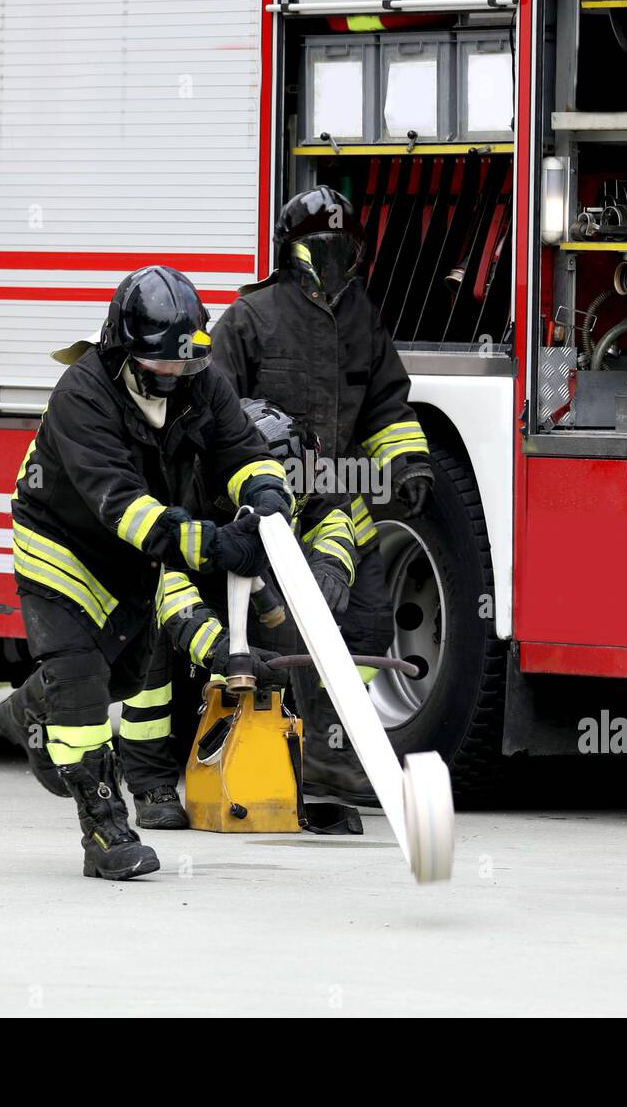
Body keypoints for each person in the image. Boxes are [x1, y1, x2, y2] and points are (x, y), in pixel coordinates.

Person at [0, 266, 293, 881]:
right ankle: (104, 831)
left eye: (184, 366)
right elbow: (121, 505)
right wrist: (214, 546)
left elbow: (241, 450)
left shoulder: (199, 382)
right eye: (161, 367)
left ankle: (29, 710)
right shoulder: (82, 395)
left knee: (122, 676)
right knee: (80, 680)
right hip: (63, 545)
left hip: (135, 550)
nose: (175, 379)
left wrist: (267, 498)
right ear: (123, 351)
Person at [212, 186, 434, 801]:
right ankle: (306, 753)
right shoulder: (250, 317)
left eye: (344, 247)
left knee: (365, 621)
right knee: (299, 629)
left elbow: (385, 404)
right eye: (322, 247)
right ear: (293, 251)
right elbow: (214, 410)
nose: (334, 260)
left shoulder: (360, 315)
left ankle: (338, 744)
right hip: (276, 509)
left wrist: (407, 462)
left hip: (341, 498)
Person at [117, 398, 358, 828]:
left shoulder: (296, 462)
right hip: (173, 587)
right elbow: (166, 587)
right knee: (153, 647)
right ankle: (150, 782)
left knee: (275, 663)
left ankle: (271, 768)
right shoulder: (178, 484)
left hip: (253, 580)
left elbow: (333, 516)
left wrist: (331, 565)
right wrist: (217, 647)